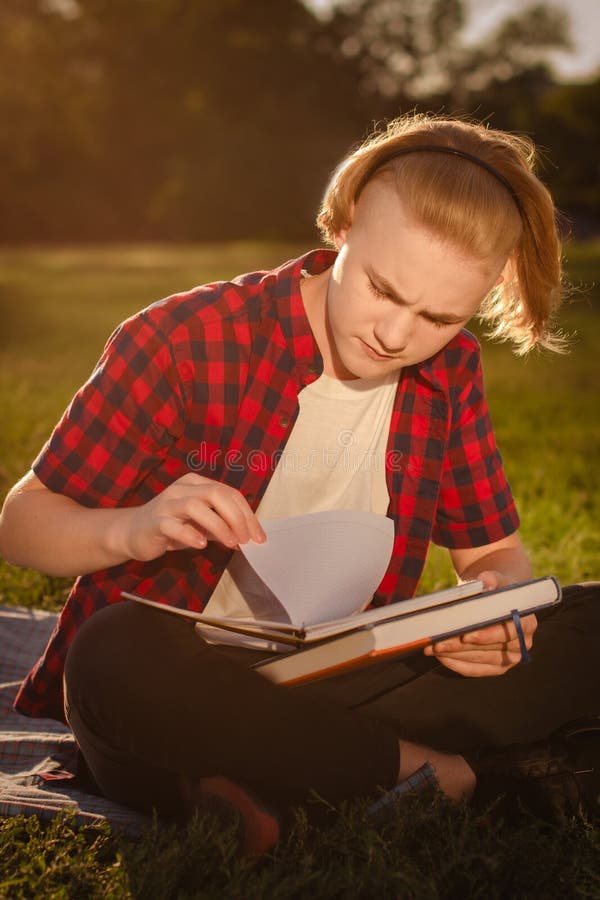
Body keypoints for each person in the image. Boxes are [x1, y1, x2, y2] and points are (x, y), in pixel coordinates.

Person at [1, 113, 598, 855]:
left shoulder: (451, 372)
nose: (396, 335)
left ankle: (289, 793)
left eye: (439, 317)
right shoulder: (187, 337)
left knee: (588, 623)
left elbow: (496, 560)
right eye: (383, 290)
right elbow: (23, 521)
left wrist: (495, 619)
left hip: (340, 687)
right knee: (111, 652)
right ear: (342, 224)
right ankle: (466, 783)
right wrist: (129, 527)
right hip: (174, 694)